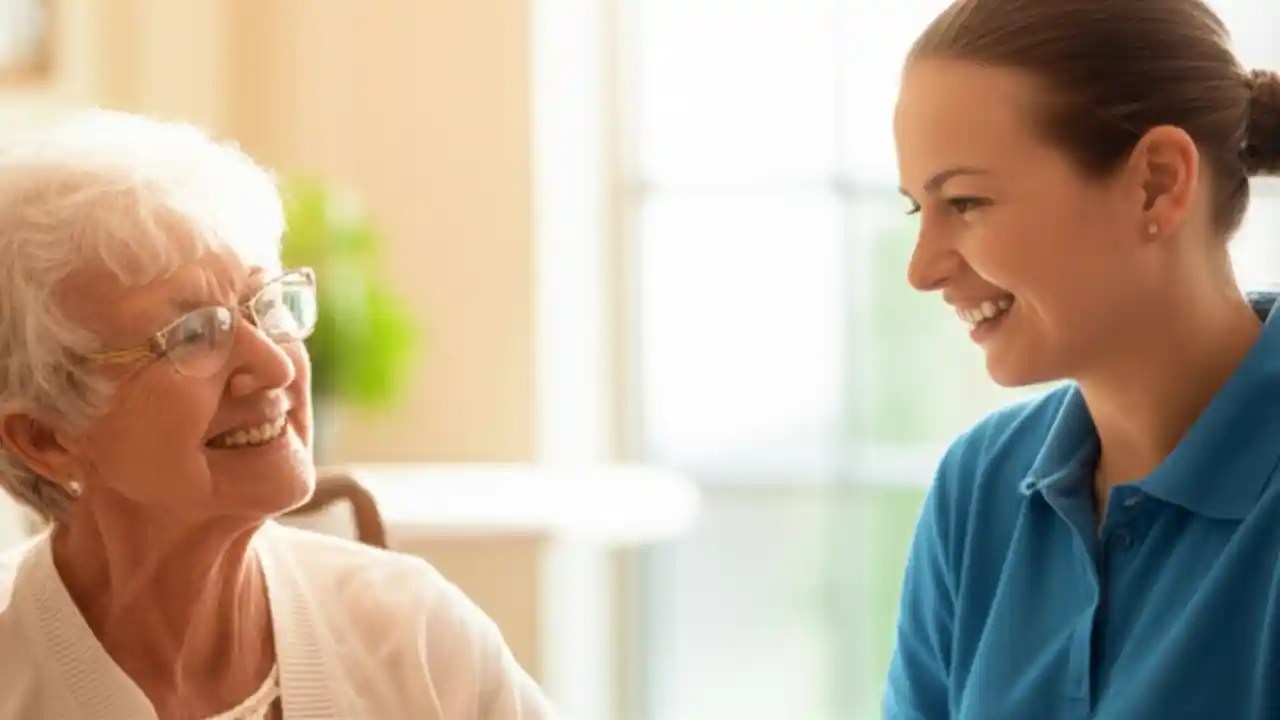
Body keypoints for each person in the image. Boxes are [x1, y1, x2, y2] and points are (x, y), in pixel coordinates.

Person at [0, 110, 556, 719]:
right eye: (192, 335)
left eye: (266, 304)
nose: (274, 366)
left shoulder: (415, 638)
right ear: (46, 436)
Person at [886, 0, 1280, 717]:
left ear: (1157, 183)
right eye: (919, 209)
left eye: (967, 202)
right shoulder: (979, 486)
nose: (922, 269)